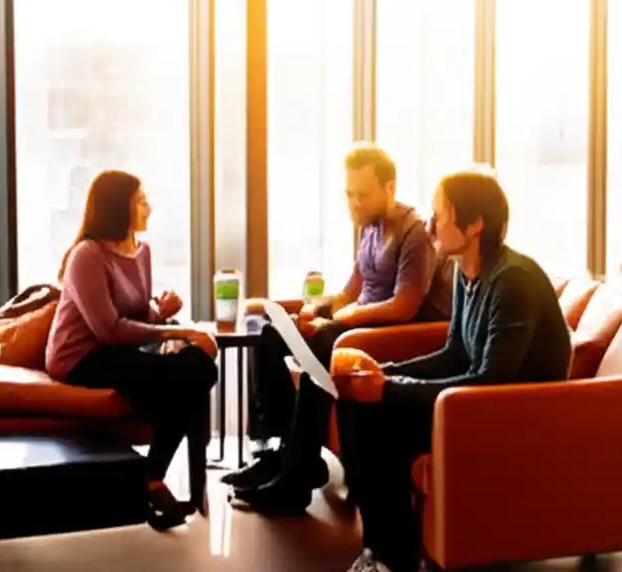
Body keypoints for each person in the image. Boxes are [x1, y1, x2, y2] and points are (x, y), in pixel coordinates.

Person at [340, 169, 572, 572]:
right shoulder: (467, 273)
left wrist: (390, 389)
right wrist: (383, 373)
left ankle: (393, 557)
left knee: (379, 419)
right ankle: (383, 550)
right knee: (356, 405)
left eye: (440, 214)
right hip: (473, 407)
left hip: (516, 417)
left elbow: (490, 381)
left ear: (475, 223)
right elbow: (454, 355)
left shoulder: (513, 281)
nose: (430, 224)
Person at [224, 143, 452, 497]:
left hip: (391, 334)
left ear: (390, 187)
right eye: (349, 194)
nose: (354, 204)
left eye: (363, 194)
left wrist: (341, 319)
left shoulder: (415, 234)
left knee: (323, 340)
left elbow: (404, 306)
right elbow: (351, 290)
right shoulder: (369, 228)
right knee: (271, 335)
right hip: (357, 324)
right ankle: (278, 453)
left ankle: (297, 477)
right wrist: (316, 309)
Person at [45, 170, 217, 532]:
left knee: (199, 369)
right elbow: (107, 329)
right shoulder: (87, 255)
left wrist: (161, 311)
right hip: (81, 357)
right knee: (189, 376)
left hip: (119, 349)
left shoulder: (142, 251)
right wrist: (185, 330)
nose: (149, 207)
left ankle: (151, 477)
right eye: (140, 201)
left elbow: (136, 315)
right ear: (116, 207)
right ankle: (151, 481)